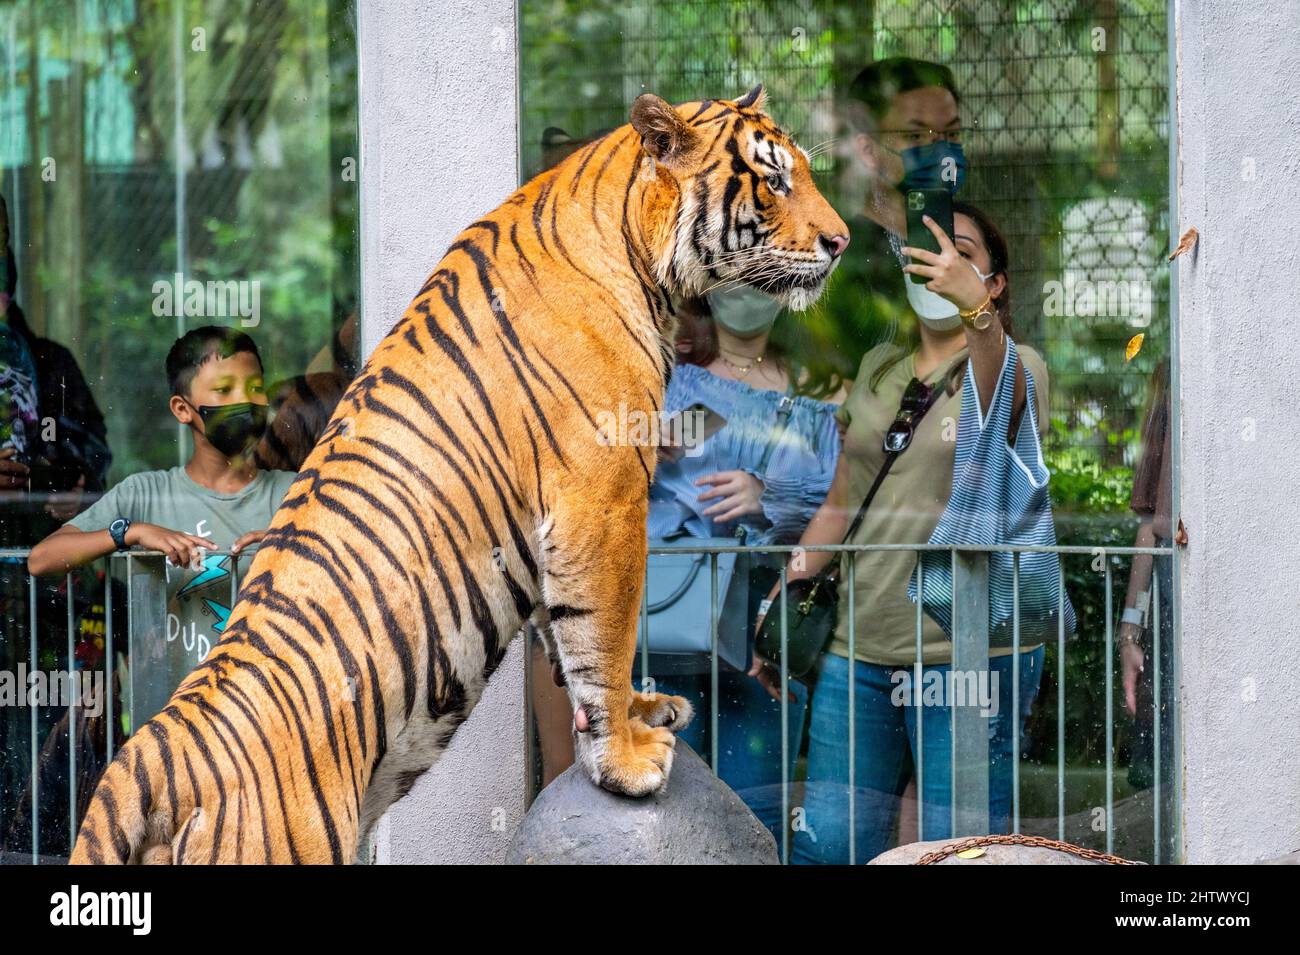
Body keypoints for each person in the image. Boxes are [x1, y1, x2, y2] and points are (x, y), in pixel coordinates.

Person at [760, 196, 1052, 864]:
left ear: (995, 283)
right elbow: (842, 499)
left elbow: (997, 398)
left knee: (961, 850)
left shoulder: (1019, 365)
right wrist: (790, 585)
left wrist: (974, 309)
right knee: (831, 846)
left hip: (966, 657)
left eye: (962, 254)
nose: (941, 264)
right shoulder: (879, 369)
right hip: (855, 650)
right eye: (930, 252)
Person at [636, 285, 843, 846]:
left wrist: (768, 496)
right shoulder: (666, 377)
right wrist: (643, 444)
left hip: (766, 614)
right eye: (731, 279)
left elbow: (844, 504)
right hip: (673, 607)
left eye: (762, 281)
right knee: (658, 802)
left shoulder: (817, 393)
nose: (745, 292)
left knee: (757, 806)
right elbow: (609, 468)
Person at [27, 325, 298, 729]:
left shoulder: (296, 494)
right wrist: (129, 532)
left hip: (266, 725)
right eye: (224, 390)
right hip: (167, 734)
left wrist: (292, 544)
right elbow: (41, 560)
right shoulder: (146, 493)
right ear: (182, 409)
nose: (245, 400)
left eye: (255, 386)